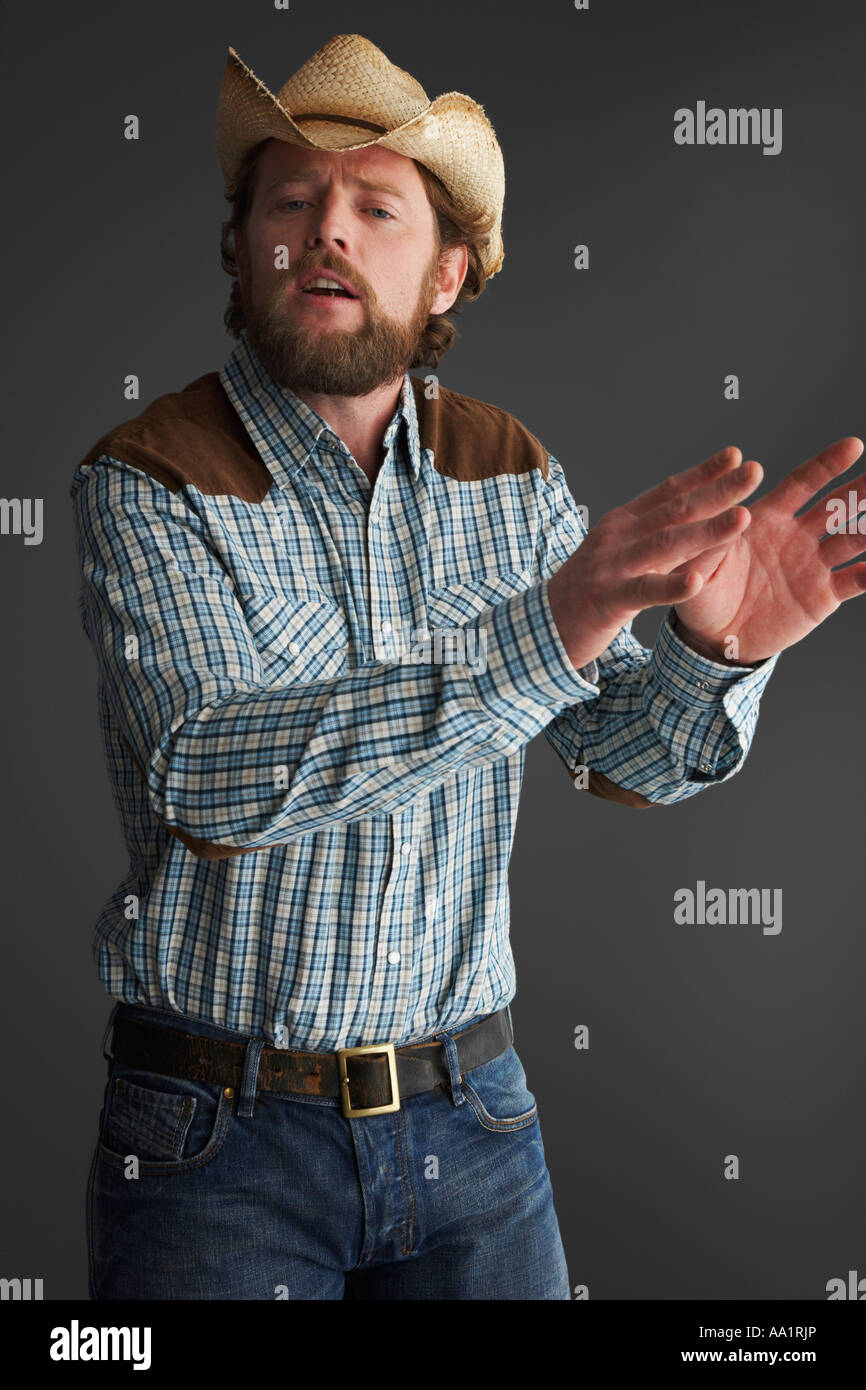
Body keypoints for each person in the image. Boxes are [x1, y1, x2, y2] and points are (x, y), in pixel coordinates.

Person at [71, 33, 865, 1301]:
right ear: (244, 247)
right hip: (217, 1143)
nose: (325, 231)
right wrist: (546, 627)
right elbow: (205, 775)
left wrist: (711, 651)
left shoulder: (508, 469)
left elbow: (616, 751)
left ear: (443, 274)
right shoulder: (151, 477)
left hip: (475, 1128)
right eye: (291, 201)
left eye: (374, 208)